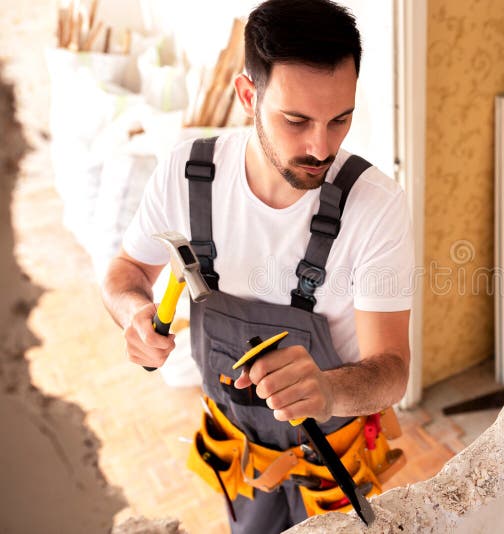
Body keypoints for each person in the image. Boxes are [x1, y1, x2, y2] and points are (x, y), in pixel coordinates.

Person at [101, 0, 413, 531]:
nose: (322, 146)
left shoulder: (376, 207)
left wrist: (330, 390)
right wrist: (133, 312)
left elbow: (393, 371)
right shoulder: (187, 175)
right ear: (249, 96)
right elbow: (127, 270)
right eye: (296, 120)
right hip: (238, 452)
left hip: (332, 463)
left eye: (341, 118)